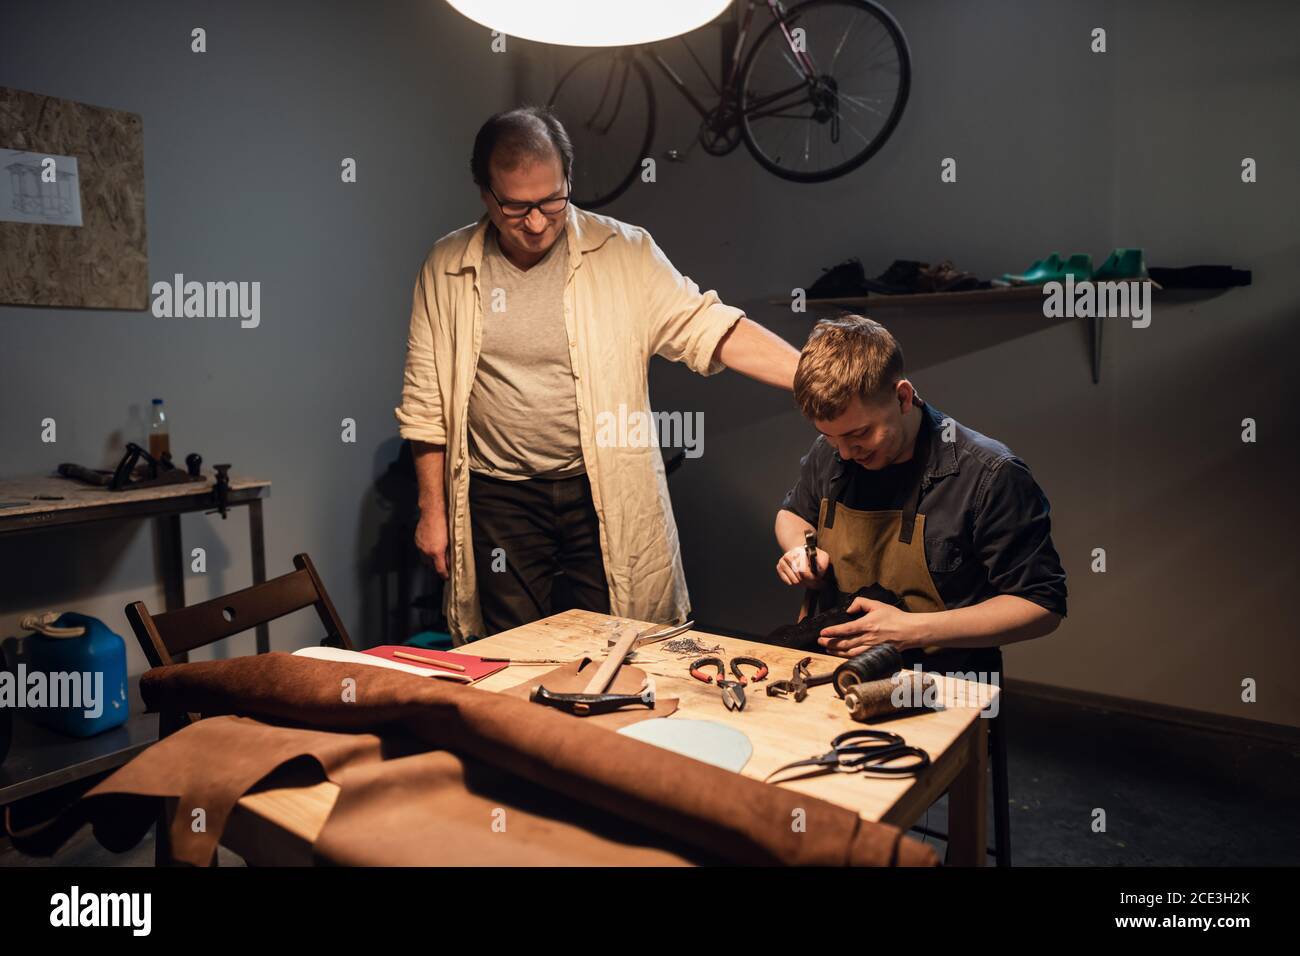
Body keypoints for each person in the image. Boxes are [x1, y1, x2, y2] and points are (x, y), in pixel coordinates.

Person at [396, 106, 799, 639]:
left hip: (600, 485)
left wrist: (813, 374)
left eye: (551, 201)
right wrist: (432, 511)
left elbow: (706, 325)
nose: (536, 223)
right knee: (511, 646)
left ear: (569, 178)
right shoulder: (444, 265)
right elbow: (426, 401)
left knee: (619, 639)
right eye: (516, 208)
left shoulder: (624, 251)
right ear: (484, 192)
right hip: (500, 496)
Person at [774, 315, 1066, 672]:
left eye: (860, 435)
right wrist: (798, 552)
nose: (847, 453)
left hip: (946, 687)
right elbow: (792, 513)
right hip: (835, 675)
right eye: (833, 438)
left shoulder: (990, 475)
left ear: (903, 397)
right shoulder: (831, 451)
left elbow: (1041, 605)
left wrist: (911, 629)